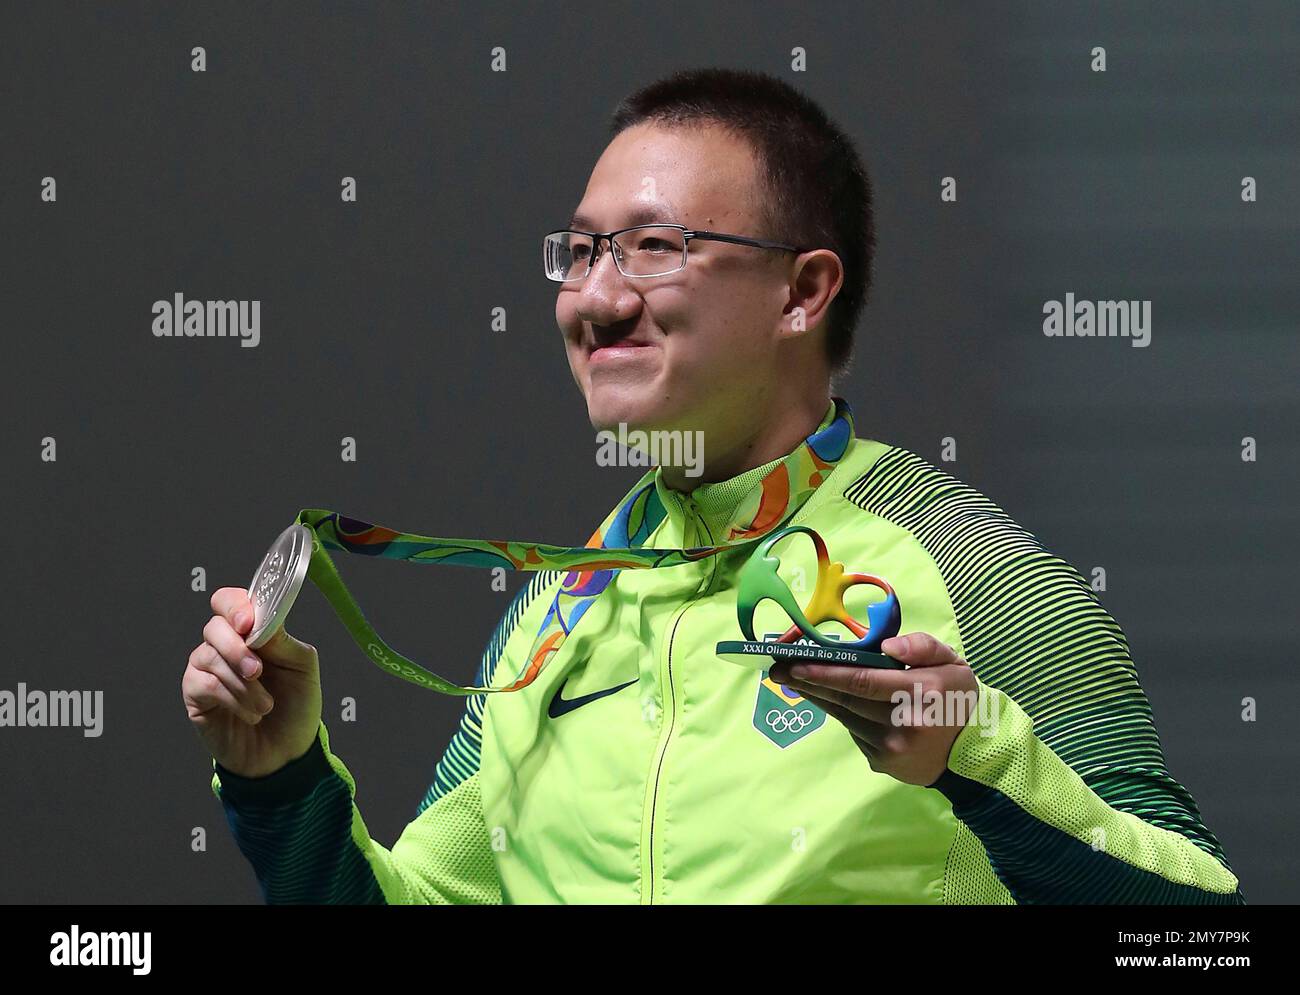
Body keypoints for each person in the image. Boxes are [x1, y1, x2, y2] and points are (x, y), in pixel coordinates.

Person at [183, 67, 1243, 904]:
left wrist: (969, 753)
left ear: (801, 290)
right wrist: (283, 782)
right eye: (582, 251)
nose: (594, 299)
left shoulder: (973, 574)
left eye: (653, 247)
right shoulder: (555, 613)